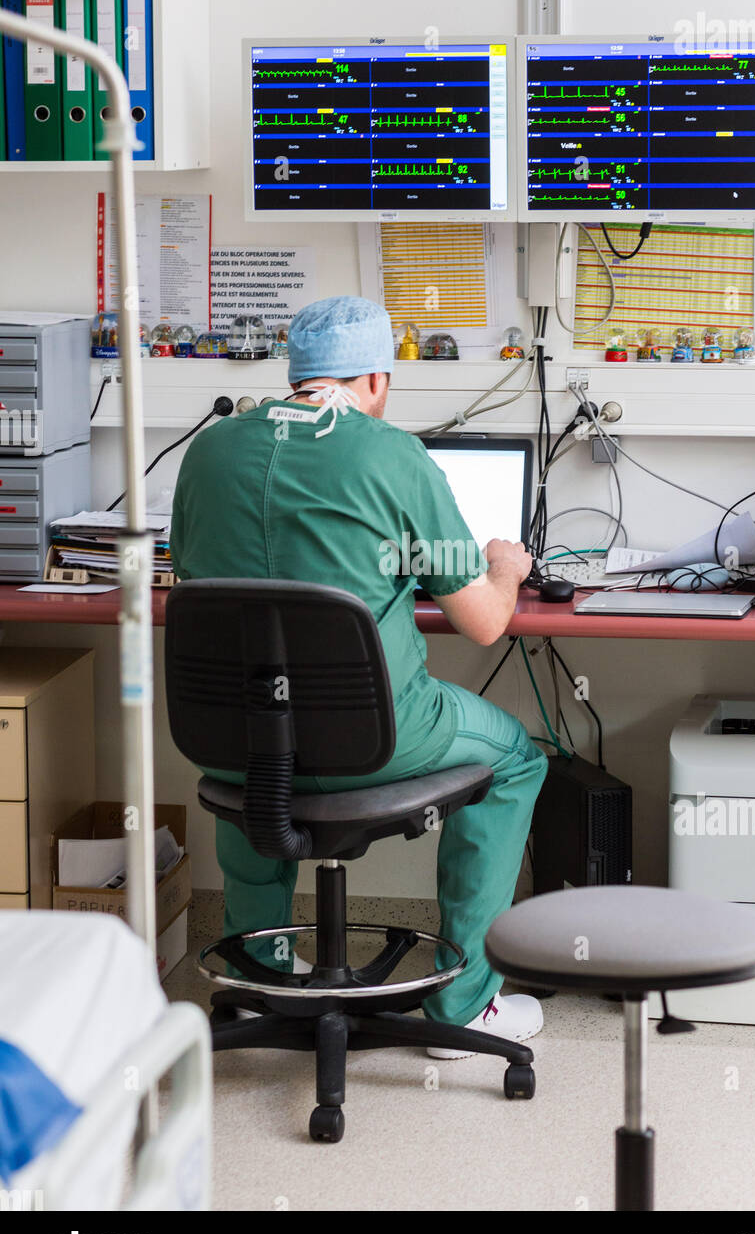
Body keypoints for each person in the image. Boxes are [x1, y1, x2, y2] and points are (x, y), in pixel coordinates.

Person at [170, 296, 548, 1056]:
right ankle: (462, 1006)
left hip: (227, 734)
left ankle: (256, 981)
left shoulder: (208, 452)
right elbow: (483, 622)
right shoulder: (390, 454)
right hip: (378, 741)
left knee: (255, 750)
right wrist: (504, 567)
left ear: (298, 374)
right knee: (518, 758)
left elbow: (195, 577)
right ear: (376, 377)